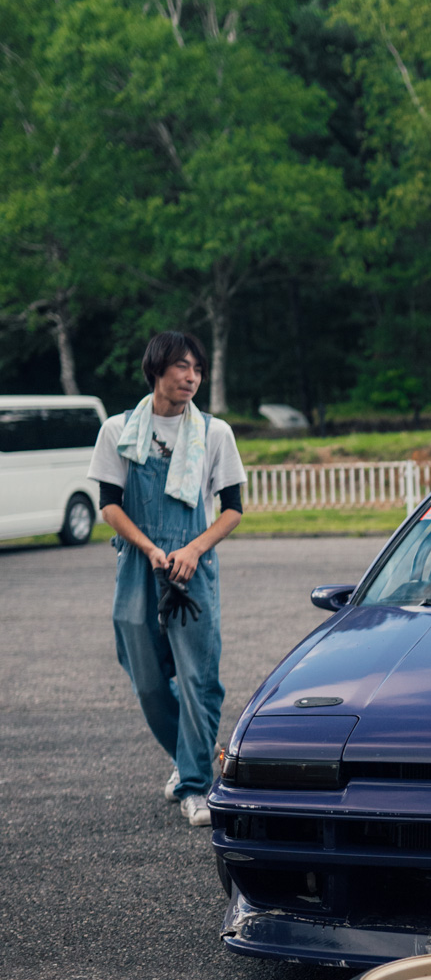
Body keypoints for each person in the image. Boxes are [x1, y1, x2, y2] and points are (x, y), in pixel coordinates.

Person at [88, 332, 246, 826]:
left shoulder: (214, 433)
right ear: (156, 368)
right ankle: (190, 755)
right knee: (146, 677)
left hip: (192, 567)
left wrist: (193, 549)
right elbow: (109, 506)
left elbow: (234, 509)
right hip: (140, 563)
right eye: (182, 366)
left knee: (199, 677)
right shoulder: (118, 430)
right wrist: (152, 549)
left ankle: (196, 785)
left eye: (197, 368)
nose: (192, 377)